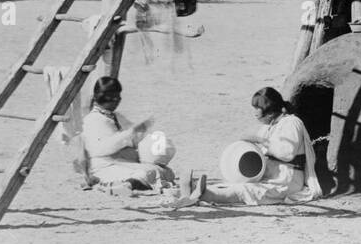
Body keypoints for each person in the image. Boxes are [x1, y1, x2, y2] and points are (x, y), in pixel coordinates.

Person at [169, 87, 322, 209]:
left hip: (287, 181)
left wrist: (259, 140)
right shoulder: (269, 126)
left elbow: (287, 153)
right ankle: (193, 191)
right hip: (270, 176)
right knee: (238, 184)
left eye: (258, 108)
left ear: (269, 109)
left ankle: (202, 195)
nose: (255, 113)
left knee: (247, 191)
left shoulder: (291, 123)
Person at [82, 76, 176, 191]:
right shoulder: (92, 120)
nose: (118, 100)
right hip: (106, 165)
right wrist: (131, 133)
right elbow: (102, 149)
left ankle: (126, 184)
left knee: (166, 172)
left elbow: (134, 135)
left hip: (126, 163)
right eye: (114, 97)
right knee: (146, 173)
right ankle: (124, 186)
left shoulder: (117, 116)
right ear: (102, 97)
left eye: (118, 96)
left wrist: (149, 139)